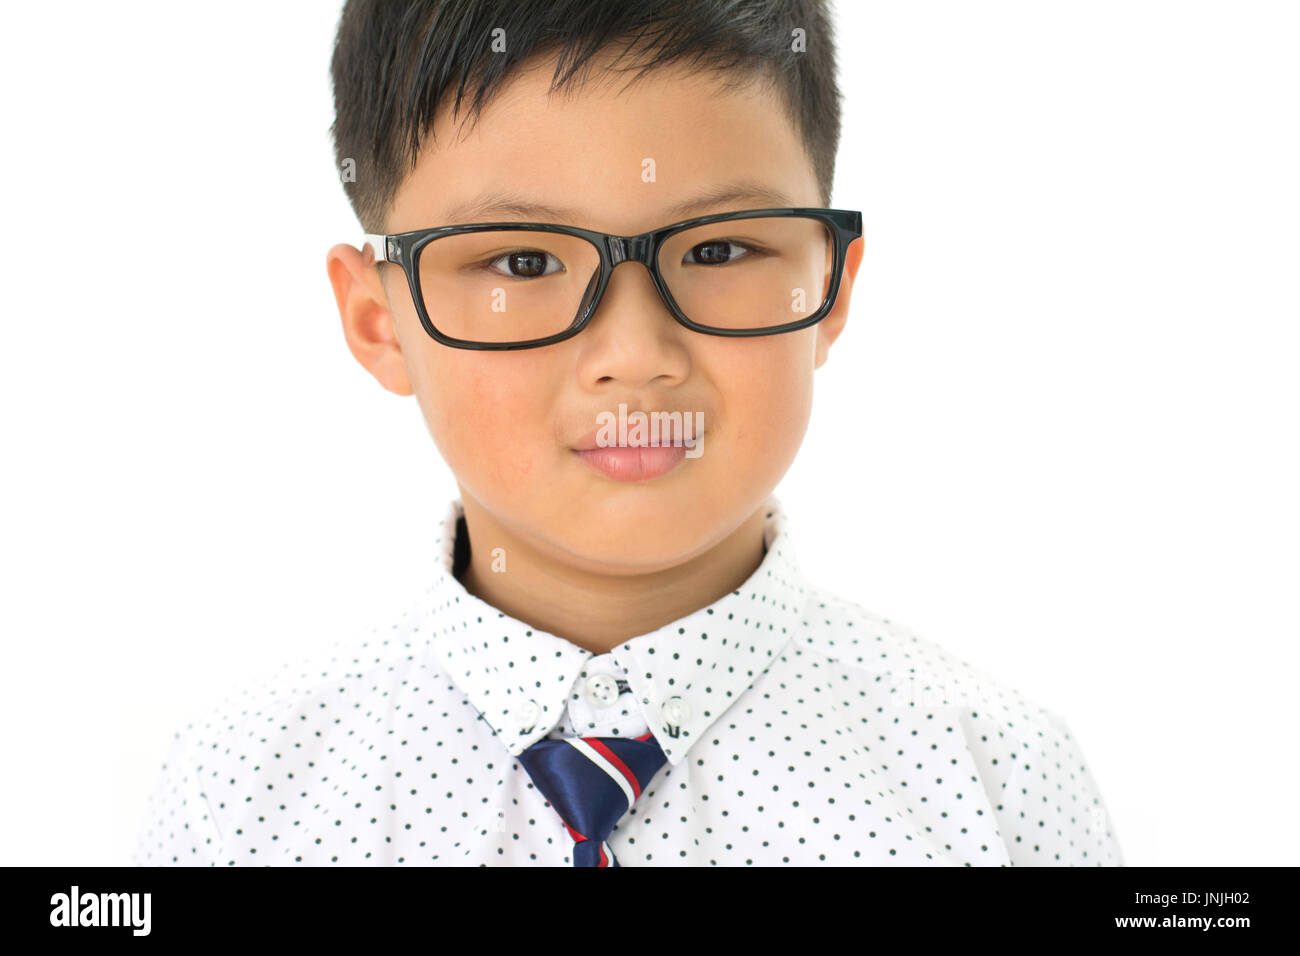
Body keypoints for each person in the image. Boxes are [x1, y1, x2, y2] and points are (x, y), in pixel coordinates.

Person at [132, 0, 1122, 867]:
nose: (635, 352)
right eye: (521, 261)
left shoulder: (996, 776)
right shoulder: (240, 792)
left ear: (827, 286)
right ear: (378, 320)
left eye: (722, 248)